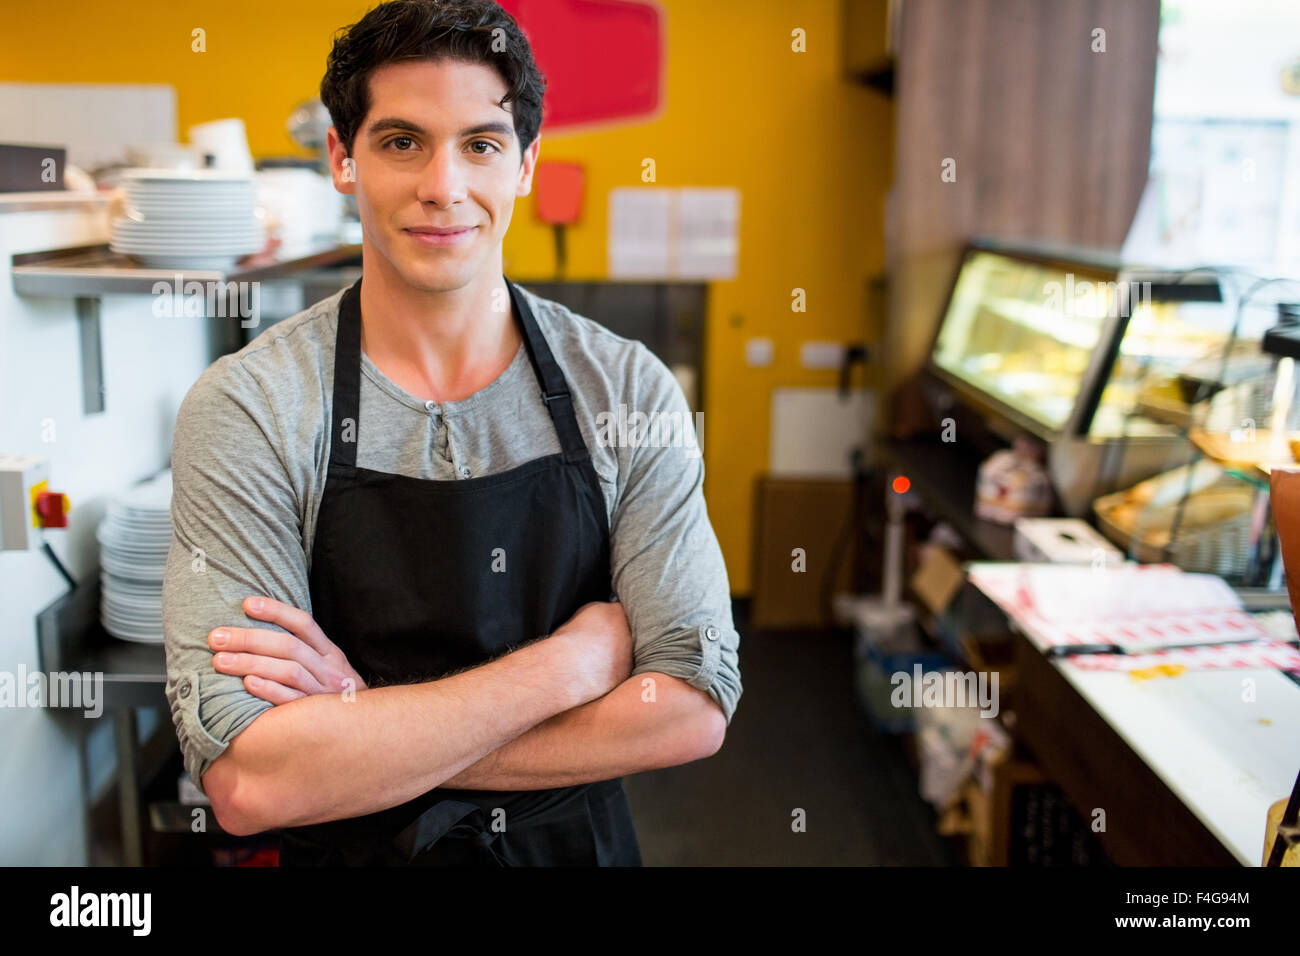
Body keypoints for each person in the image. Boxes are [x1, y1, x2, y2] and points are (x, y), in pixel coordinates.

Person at [161, 0, 741, 866]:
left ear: (526, 164)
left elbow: (691, 708)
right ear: (340, 157)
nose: (444, 185)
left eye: (481, 144)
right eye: (402, 142)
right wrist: (570, 668)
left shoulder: (624, 388)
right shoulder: (251, 405)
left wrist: (360, 735)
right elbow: (251, 783)